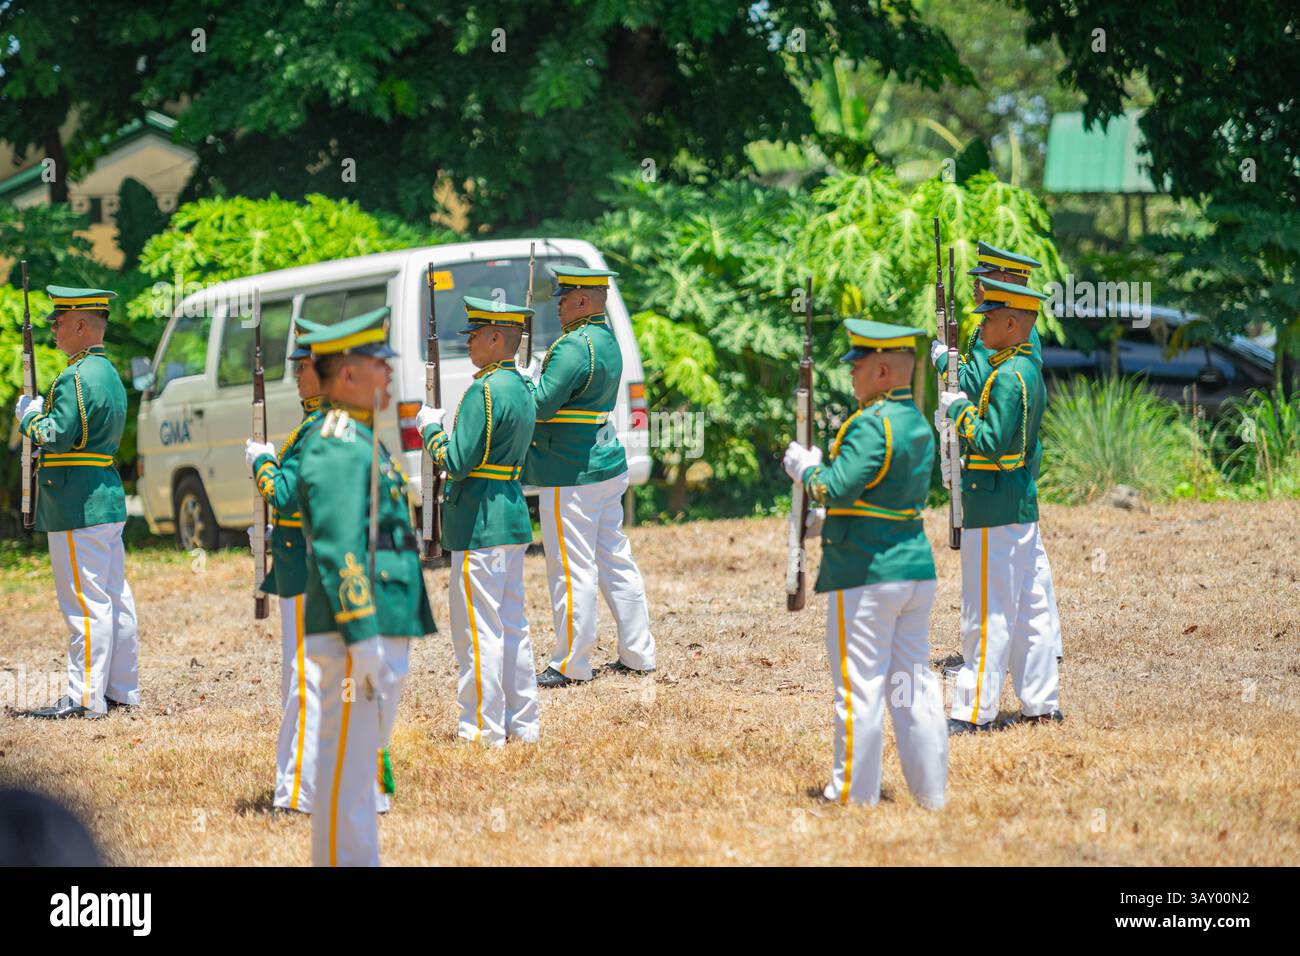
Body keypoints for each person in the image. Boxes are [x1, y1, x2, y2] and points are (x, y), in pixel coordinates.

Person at [782, 320, 948, 809]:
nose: (851, 377)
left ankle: (854, 794)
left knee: (860, 687)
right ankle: (931, 793)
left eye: (857, 367)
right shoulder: (916, 422)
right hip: (914, 570)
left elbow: (835, 487)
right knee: (912, 686)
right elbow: (878, 495)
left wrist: (806, 467)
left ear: (880, 370)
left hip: (866, 573)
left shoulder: (873, 423)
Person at [294, 307, 436, 866]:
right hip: (360, 629)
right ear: (348, 374)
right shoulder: (335, 443)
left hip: (381, 620)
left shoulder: (360, 436)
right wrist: (361, 634)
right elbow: (338, 545)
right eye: (378, 364)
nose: (388, 374)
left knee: (359, 771)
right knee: (346, 776)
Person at [938, 278, 1063, 734]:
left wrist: (958, 412)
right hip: (1015, 504)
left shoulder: (1009, 376)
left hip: (993, 506)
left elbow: (990, 443)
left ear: (1012, 324)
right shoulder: (1021, 366)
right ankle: (1040, 702)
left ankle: (974, 711)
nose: (983, 324)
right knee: (1030, 609)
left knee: (985, 613)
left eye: (989, 319)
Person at [520, 266, 655, 687]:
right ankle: (638, 653)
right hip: (602, 465)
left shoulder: (573, 346)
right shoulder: (606, 340)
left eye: (564, 297)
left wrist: (525, 382)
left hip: (570, 470)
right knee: (615, 559)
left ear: (582, 300)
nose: (557, 304)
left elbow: (540, 407)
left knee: (572, 569)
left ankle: (571, 663)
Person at [417, 296, 540, 746]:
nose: (468, 343)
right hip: (507, 514)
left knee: (478, 632)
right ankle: (523, 724)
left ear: (495, 338)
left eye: (474, 335)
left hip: (479, 522)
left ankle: (483, 729)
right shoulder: (521, 388)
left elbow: (457, 461)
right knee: (512, 626)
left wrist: (430, 429)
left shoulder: (484, 391)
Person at [15, 286, 138, 720]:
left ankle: (85, 697)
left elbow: (58, 435)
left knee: (85, 605)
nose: (53, 328)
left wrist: (29, 416)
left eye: (60, 321)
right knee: (114, 597)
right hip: (101, 497)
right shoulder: (108, 373)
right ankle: (121, 689)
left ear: (81, 325)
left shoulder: (77, 376)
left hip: (75, 501)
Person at [244, 318, 326, 813]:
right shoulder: (344, 423)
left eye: (304, 366)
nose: (295, 374)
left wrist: (263, 465)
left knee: (304, 678)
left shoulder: (317, 431)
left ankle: (298, 791)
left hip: (308, 570)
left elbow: (287, 495)